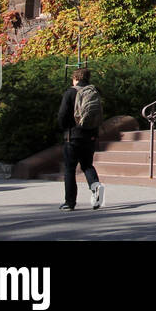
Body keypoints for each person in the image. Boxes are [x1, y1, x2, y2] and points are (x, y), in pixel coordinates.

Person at [58, 67, 105, 211]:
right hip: (90, 135)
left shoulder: (71, 92)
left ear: (75, 78)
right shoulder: (94, 92)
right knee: (87, 165)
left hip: (73, 136)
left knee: (70, 169)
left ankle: (69, 202)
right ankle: (95, 186)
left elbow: (62, 114)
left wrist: (64, 128)